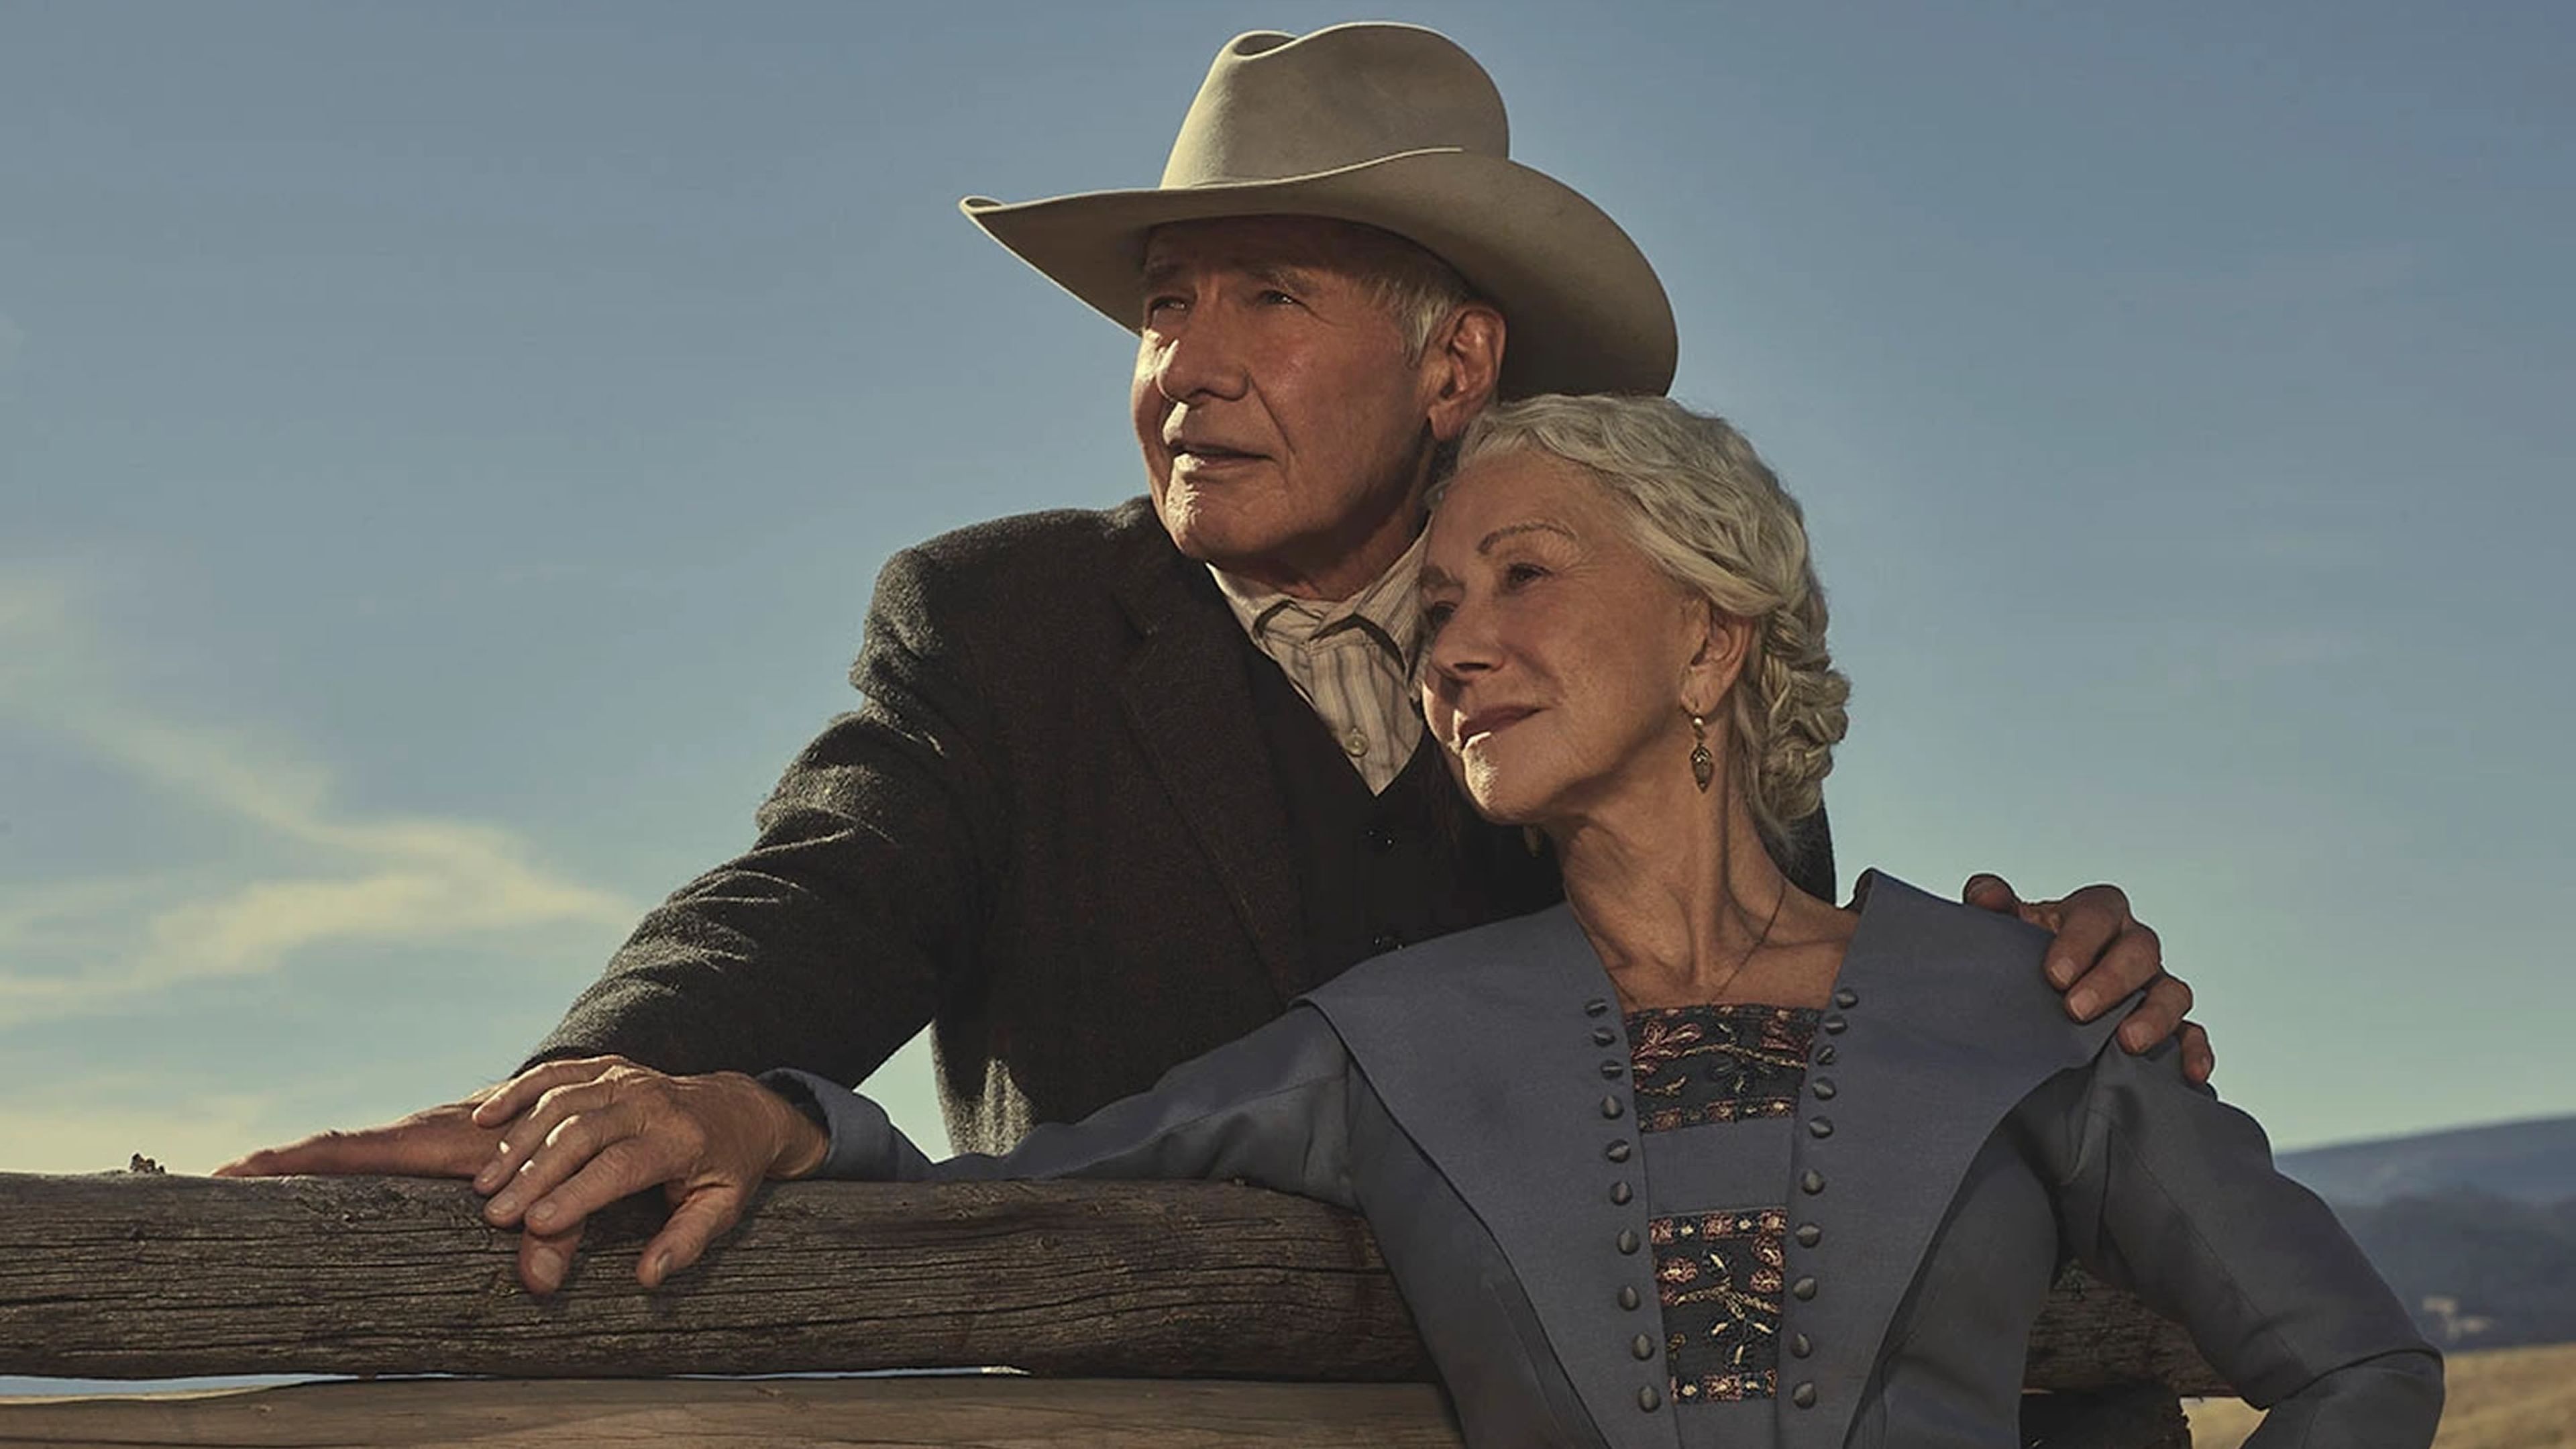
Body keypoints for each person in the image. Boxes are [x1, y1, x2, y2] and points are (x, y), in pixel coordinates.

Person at [220, 23, 2204, 1298]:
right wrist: (611, 1078)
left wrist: (2027, 1016)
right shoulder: (1003, 627)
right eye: (1166, 307)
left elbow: (1764, 1010)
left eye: (1271, 295)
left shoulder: (1630, 638)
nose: (1189, 367)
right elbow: (823, 890)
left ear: (1455, 362)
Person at [474, 394, 2439, 1448]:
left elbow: (2356, 1368)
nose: (1458, 646)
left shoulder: (2021, 1002)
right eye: (1438, 611)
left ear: (1712, 637)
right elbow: (1010, 1192)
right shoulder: (1386, 1045)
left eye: (1526, 578)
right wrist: (761, 1110)